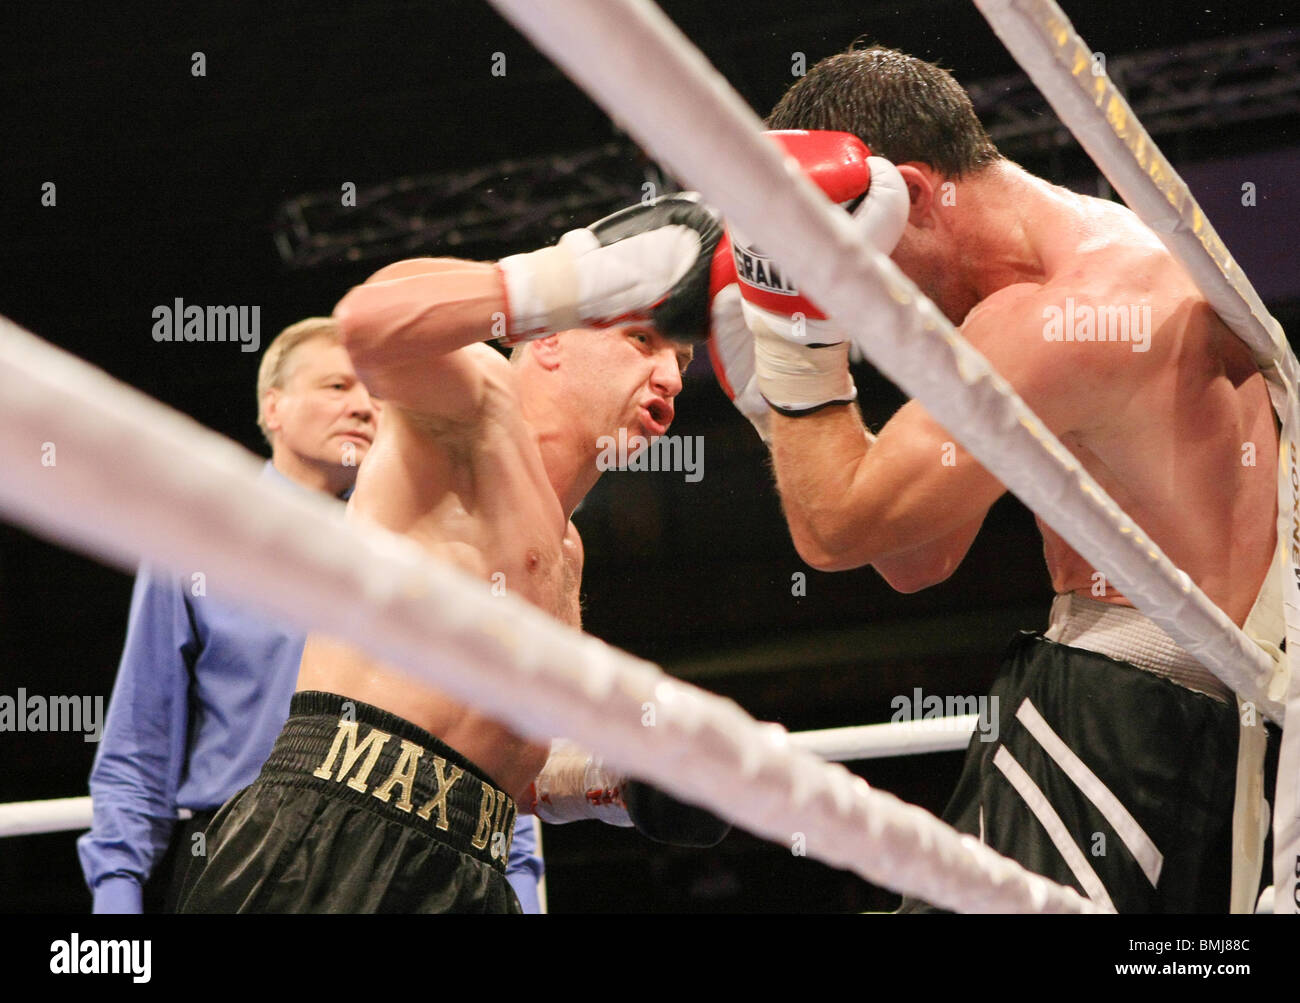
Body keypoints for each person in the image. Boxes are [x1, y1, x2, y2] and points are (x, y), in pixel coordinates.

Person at [710, 46, 1280, 913]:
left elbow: (834, 532)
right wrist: (770, 400)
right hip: (1164, 717)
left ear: (900, 191)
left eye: (843, 261)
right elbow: (916, 556)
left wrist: (796, 348)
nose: (857, 306)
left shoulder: (1060, 315)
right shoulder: (1067, 279)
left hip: (1128, 710)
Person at [179, 195, 733, 914]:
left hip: (468, 872)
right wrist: (571, 278)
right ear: (551, 339)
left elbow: (498, 766)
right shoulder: (475, 404)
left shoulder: (568, 551)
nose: (668, 377)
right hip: (328, 836)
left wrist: (619, 777)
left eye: (682, 360)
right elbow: (372, 323)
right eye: (642, 342)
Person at [78, 316, 543, 912]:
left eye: (375, 393)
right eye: (336, 387)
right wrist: (116, 892)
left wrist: (522, 874)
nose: (363, 406)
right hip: (233, 849)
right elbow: (140, 740)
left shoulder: (429, 549)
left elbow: (483, 731)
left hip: (407, 853)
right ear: (274, 407)